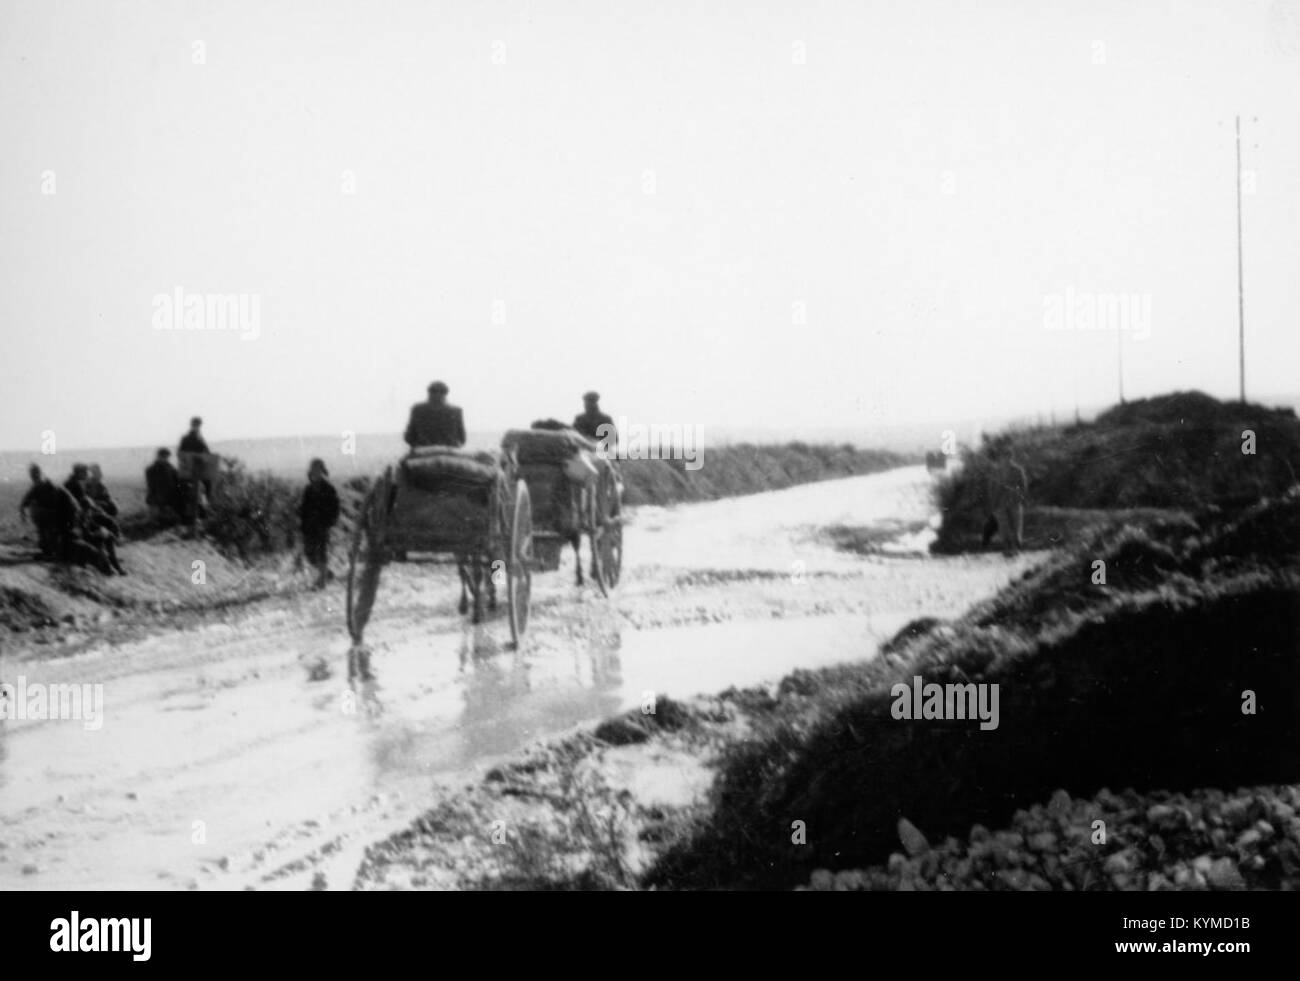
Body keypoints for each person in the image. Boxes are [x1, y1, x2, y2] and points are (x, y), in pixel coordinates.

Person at [299, 459, 341, 589]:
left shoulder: (329, 489)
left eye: (318, 471)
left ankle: (321, 582)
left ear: (322, 472)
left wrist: (329, 522)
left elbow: (335, 507)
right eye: (313, 471)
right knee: (309, 554)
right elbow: (303, 508)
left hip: (323, 526)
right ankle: (326, 573)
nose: (315, 474)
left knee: (321, 552)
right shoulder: (308, 489)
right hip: (309, 527)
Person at [19, 464, 78, 557]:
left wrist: (24, 512)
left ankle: (50, 550)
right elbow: (24, 503)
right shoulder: (44, 483)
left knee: (42, 519)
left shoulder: (42, 485)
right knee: (42, 517)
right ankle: (51, 549)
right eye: (32, 474)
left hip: (63, 512)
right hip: (63, 512)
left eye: (34, 474)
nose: (33, 476)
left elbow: (25, 502)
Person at [981, 448, 1029, 553]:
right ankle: (1007, 547)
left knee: (1017, 527)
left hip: (1014, 501)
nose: (1006, 459)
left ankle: (1016, 547)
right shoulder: (996, 471)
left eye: (1008, 456)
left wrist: (1022, 498)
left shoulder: (1017, 470)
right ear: (1001, 458)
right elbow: (991, 487)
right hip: (999, 502)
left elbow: (1023, 485)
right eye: (1003, 457)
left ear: (1011, 457)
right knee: (1004, 527)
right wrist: (992, 502)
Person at [404, 381, 466, 449]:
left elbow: (408, 437)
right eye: (435, 392)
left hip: (423, 452)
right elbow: (462, 439)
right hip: (449, 452)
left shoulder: (417, 410)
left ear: (429, 393)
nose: (437, 395)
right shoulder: (456, 411)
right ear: (446, 394)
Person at [145, 448, 181, 525]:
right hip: (156, 497)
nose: (165, 459)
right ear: (158, 456)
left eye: (166, 457)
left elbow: (176, 480)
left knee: (168, 517)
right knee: (155, 518)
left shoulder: (170, 468)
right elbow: (151, 485)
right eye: (164, 456)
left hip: (168, 497)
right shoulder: (152, 469)